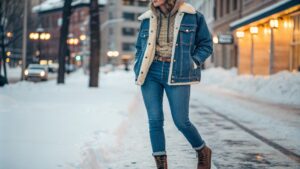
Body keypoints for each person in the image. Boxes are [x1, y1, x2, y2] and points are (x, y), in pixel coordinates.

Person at [133, 0, 213, 168]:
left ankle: (202, 150)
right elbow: (139, 47)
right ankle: (161, 165)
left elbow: (206, 45)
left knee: (181, 121)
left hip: (178, 72)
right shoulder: (147, 18)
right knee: (154, 120)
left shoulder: (193, 17)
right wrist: (138, 65)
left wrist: (193, 62)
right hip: (151, 71)